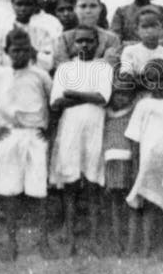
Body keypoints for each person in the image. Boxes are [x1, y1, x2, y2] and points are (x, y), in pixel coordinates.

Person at [0, 28, 55, 261]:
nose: (19, 54)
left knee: (39, 191)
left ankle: (43, 242)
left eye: (23, 50)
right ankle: (11, 242)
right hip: (10, 136)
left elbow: (55, 105)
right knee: (10, 191)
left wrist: (49, 130)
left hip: (35, 136)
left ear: (31, 50)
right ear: (7, 52)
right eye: (14, 50)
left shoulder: (40, 75)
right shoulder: (0, 75)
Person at [49, 24, 114, 256]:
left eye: (89, 41)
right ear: (73, 45)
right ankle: (69, 231)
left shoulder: (102, 68)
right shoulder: (65, 69)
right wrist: (87, 97)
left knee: (93, 181)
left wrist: (74, 94)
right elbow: (56, 103)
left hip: (95, 128)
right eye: (80, 41)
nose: (84, 45)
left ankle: (95, 234)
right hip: (70, 129)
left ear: (97, 44)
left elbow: (103, 97)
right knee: (70, 181)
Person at [125, 59, 163, 259]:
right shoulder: (143, 104)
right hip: (148, 162)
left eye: (160, 78)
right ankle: (147, 244)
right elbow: (134, 136)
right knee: (147, 201)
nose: (156, 83)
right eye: (151, 80)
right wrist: (135, 163)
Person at [102, 72, 138, 255]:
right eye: (118, 93)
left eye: (126, 94)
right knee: (115, 202)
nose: (122, 97)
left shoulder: (134, 111)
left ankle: (131, 242)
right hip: (110, 162)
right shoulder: (105, 112)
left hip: (128, 161)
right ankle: (117, 240)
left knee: (131, 202)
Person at [0, 0, 55, 71]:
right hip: (7, 76)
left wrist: (33, 52)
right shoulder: (1, 30)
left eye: (28, 5)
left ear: (34, 6)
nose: (23, 8)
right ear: (12, 4)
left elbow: (48, 64)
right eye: (19, 4)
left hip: (34, 76)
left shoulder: (42, 31)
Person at [53, 0, 122, 68]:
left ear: (100, 8)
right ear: (75, 9)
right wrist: (102, 61)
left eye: (93, 6)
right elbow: (63, 68)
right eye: (83, 6)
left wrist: (75, 62)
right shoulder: (65, 38)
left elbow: (112, 65)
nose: (88, 11)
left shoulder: (112, 39)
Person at [119, 7, 163, 77]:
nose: (150, 30)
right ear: (136, 30)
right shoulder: (130, 51)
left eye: (154, 26)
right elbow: (126, 75)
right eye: (145, 27)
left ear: (160, 27)